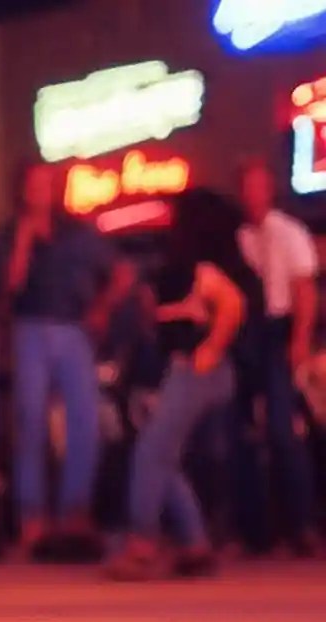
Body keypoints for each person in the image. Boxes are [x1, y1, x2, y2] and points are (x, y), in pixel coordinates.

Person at [105, 189, 246, 580]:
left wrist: (211, 349)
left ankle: (141, 546)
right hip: (188, 371)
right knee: (162, 456)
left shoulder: (202, 269)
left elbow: (234, 305)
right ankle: (194, 544)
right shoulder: (189, 270)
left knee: (150, 453)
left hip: (195, 373)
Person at [4, 163, 119, 560]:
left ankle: (75, 511)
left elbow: (119, 273)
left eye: (47, 184)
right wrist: (23, 242)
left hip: (73, 329)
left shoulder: (78, 233)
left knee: (84, 420)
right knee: (31, 422)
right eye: (34, 184)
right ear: (23, 190)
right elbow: (10, 285)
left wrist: (101, 308)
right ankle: (32, 517)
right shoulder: (10, 233)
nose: (41, 191)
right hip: (30, 328)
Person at [232, 160, 319, 556]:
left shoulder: (288, 232)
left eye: (258, 186)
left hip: (277, 329)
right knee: (241, 433)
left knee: (283, 430)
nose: (252, 195)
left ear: (269, 190)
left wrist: (299, 339)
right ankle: (254, 531)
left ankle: (302, 524)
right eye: (246, 187)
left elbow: (304, 288)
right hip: (245, 332)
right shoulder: (237, 238)